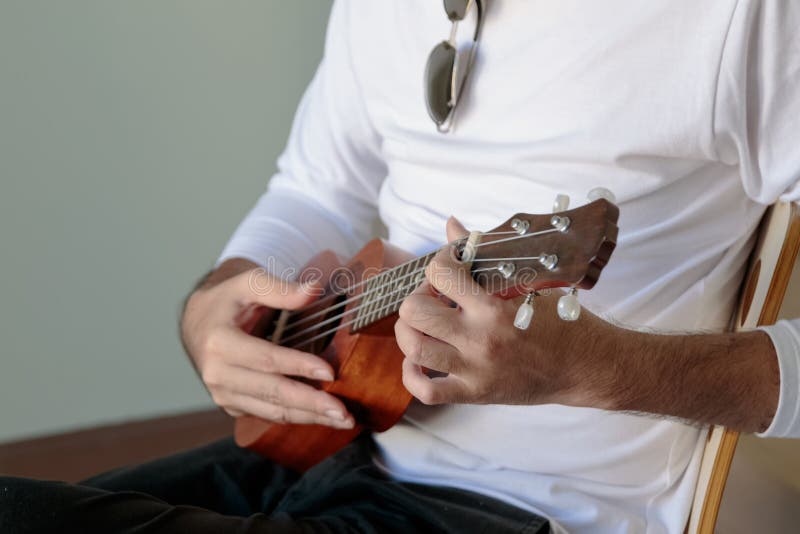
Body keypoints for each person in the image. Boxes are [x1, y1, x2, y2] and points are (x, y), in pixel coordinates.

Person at [2, 1, 799, 533]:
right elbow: (316, 188)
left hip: (529, 513)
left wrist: (598, 369)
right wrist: (212, 309)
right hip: (332, 446)